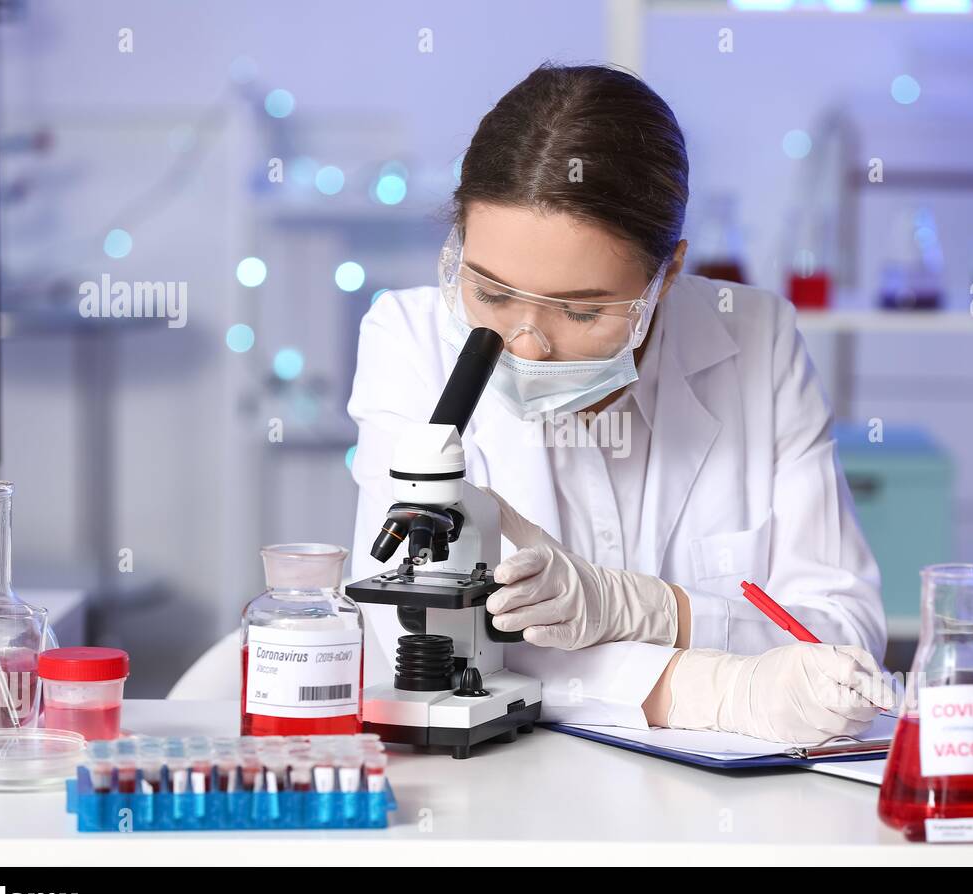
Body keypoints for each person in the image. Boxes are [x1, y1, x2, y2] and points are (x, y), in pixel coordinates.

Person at [348, 63, 891, 744]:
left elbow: (840, 637)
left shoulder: (757, 338)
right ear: (458, 245)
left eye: (579, 310)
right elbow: (412, 638)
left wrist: (643, 608)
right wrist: (720, 689)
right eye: (490, 293)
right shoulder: (410, 340)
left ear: (666, 276)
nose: (527, 344)